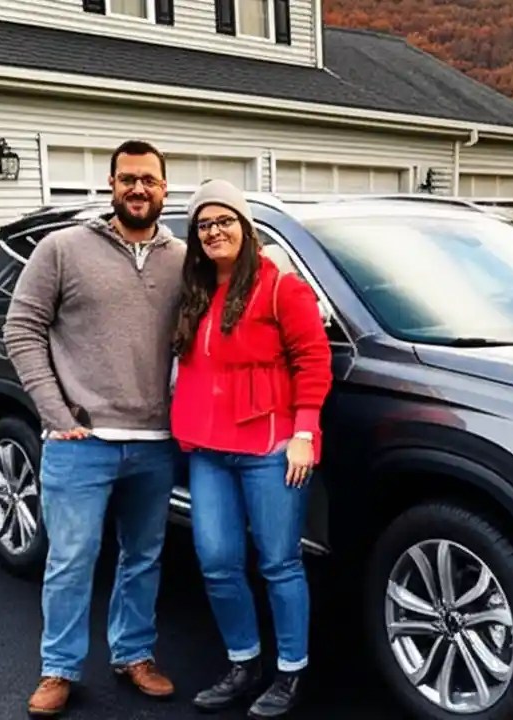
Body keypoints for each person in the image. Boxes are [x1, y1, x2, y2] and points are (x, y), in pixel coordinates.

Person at [3, 140, 186, 717]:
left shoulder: (183, 259)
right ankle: (58, 668)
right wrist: (57, 413)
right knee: (71, 559)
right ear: (111, 184)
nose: (138, 189)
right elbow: (21, 329)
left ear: (164, 188)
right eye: (128, 178)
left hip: (155, 444)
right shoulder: (63, 249)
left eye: (149, 180)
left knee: (143, 557)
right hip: (80, 443)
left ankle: (134, 654)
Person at [169, 179, 333, 718]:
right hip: (207, 449)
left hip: (270, 447)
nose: (215, 231)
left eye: (225, 221)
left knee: (280, 563)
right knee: (216, 560)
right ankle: (245, 663)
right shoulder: (192, 290)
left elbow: (313, 360)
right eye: (205, 225)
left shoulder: (280, 287)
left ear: (245, 227)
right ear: (196, 237)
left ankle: (292, 672)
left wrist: (305, 434)